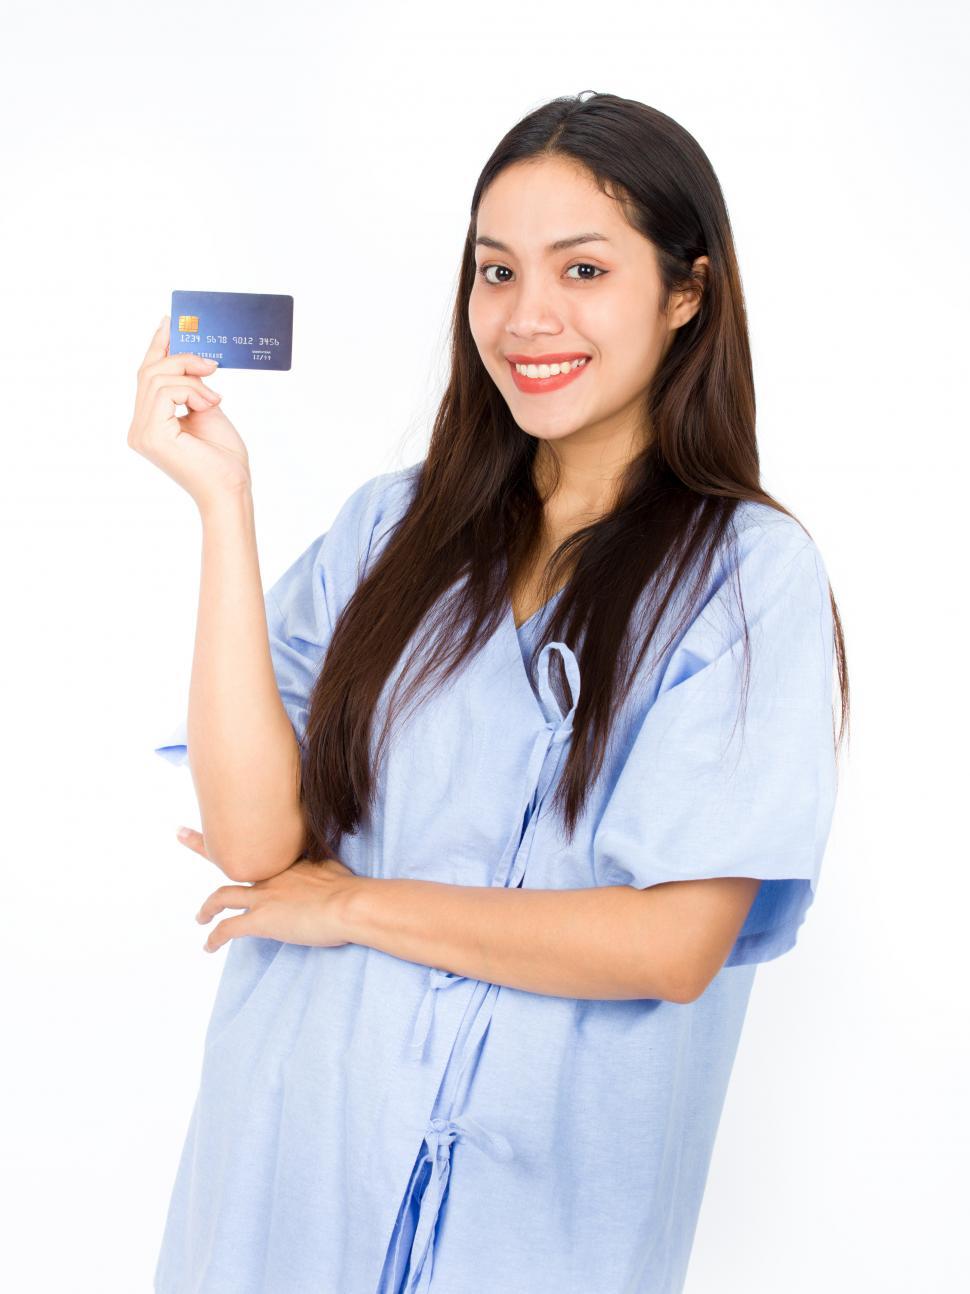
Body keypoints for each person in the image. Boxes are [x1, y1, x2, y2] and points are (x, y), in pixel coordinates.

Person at [130, 90, 849, 1294]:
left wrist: (352, 906)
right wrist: (221, 506)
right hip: (293, 1170)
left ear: (687, 293)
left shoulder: (744, 579)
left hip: (537, 1231)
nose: (527, 318)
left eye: (583, 269)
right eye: (495, 271)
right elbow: (261, 847)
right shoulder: (391, 528)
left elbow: (672, 942)